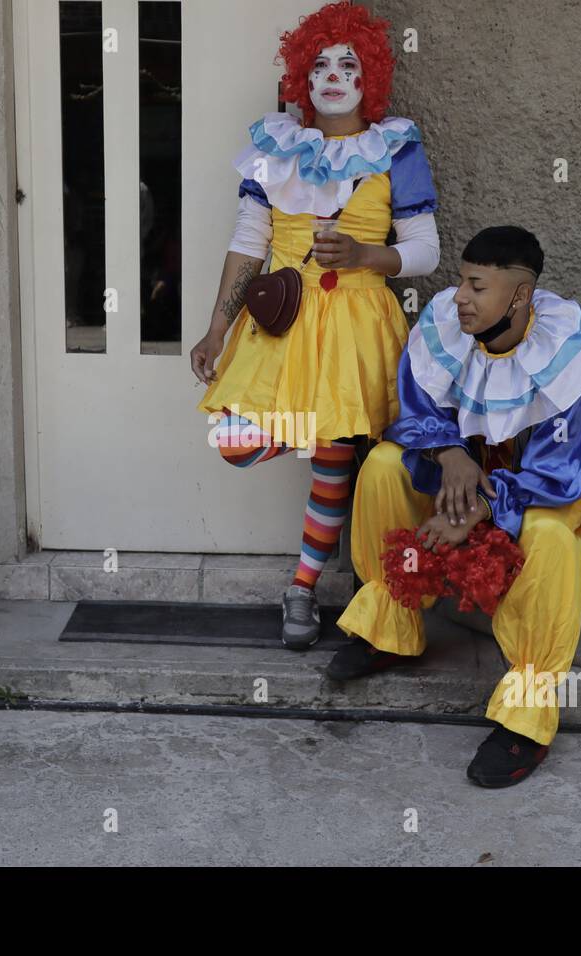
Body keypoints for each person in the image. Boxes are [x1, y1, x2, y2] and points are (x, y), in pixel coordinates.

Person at [329, 226, 581, 788]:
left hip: (552, 478)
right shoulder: (446, 325)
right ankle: (389, 626)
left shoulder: (563, 350)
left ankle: (527, 716)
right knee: (386, 466)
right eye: (462, 279)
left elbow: (560, 470)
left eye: (477, 286)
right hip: (471, 468)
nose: (460, 295)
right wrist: (449, 454)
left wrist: (478, 510)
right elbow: (413, 407)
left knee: (551, 537)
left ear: (520, 296)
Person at [190, 1, 440, 649]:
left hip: (358, 323)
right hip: (284, 323)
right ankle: (329, 565)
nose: (333, 74)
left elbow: (427, 251)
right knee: (236, 440)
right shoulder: (278, 147)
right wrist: (218, 328)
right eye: (320, 63)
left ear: (371, 77)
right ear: (301, 76)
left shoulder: (396, 147)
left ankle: (302, 591)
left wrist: (365, 255)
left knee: (336, 460)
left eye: (348, 62)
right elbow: (249, 241)